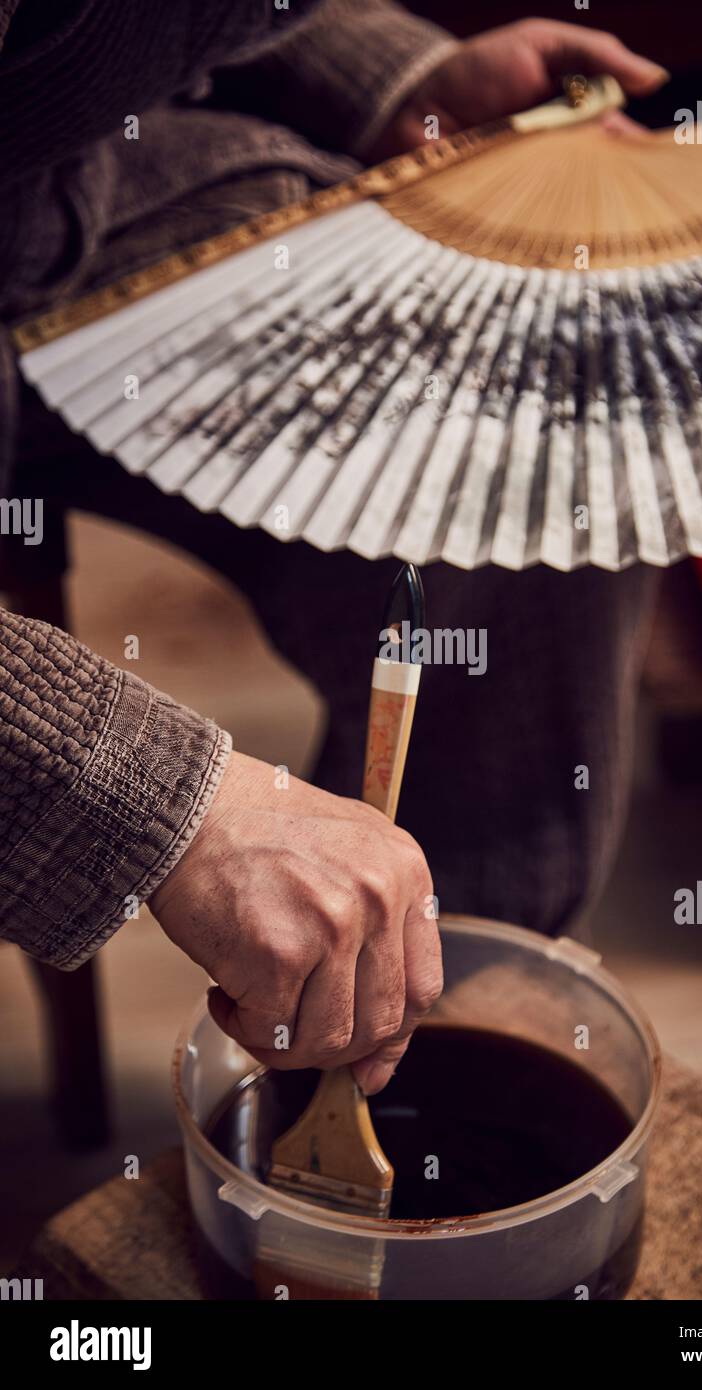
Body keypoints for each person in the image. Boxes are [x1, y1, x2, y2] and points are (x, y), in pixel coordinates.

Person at [0, 1, 666, 1093]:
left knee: (540, 452)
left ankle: (409, 1057)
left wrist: (389, 79)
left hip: (60, 188)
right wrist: (154, 799)